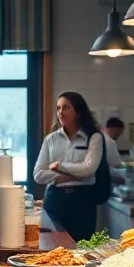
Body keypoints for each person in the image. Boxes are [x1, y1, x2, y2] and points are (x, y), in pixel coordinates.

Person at [33, 92, 107, 241]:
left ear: (78, 112)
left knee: (81, 246)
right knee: (51, 245)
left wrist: (59, 166)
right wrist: (68, 175)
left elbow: (89, 169)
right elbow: (38, 174)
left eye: (66, 108)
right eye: (58, 108)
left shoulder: (94, 137)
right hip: (54, 198)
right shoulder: (51, 139)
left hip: (83, 200)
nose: (60, 112)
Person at [104, 117, 126, 187]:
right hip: (106, 178)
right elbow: (116, 164)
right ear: (112, 129)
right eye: (119, 131)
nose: (119, 134)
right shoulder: (109, 141)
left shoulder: (98, 138)